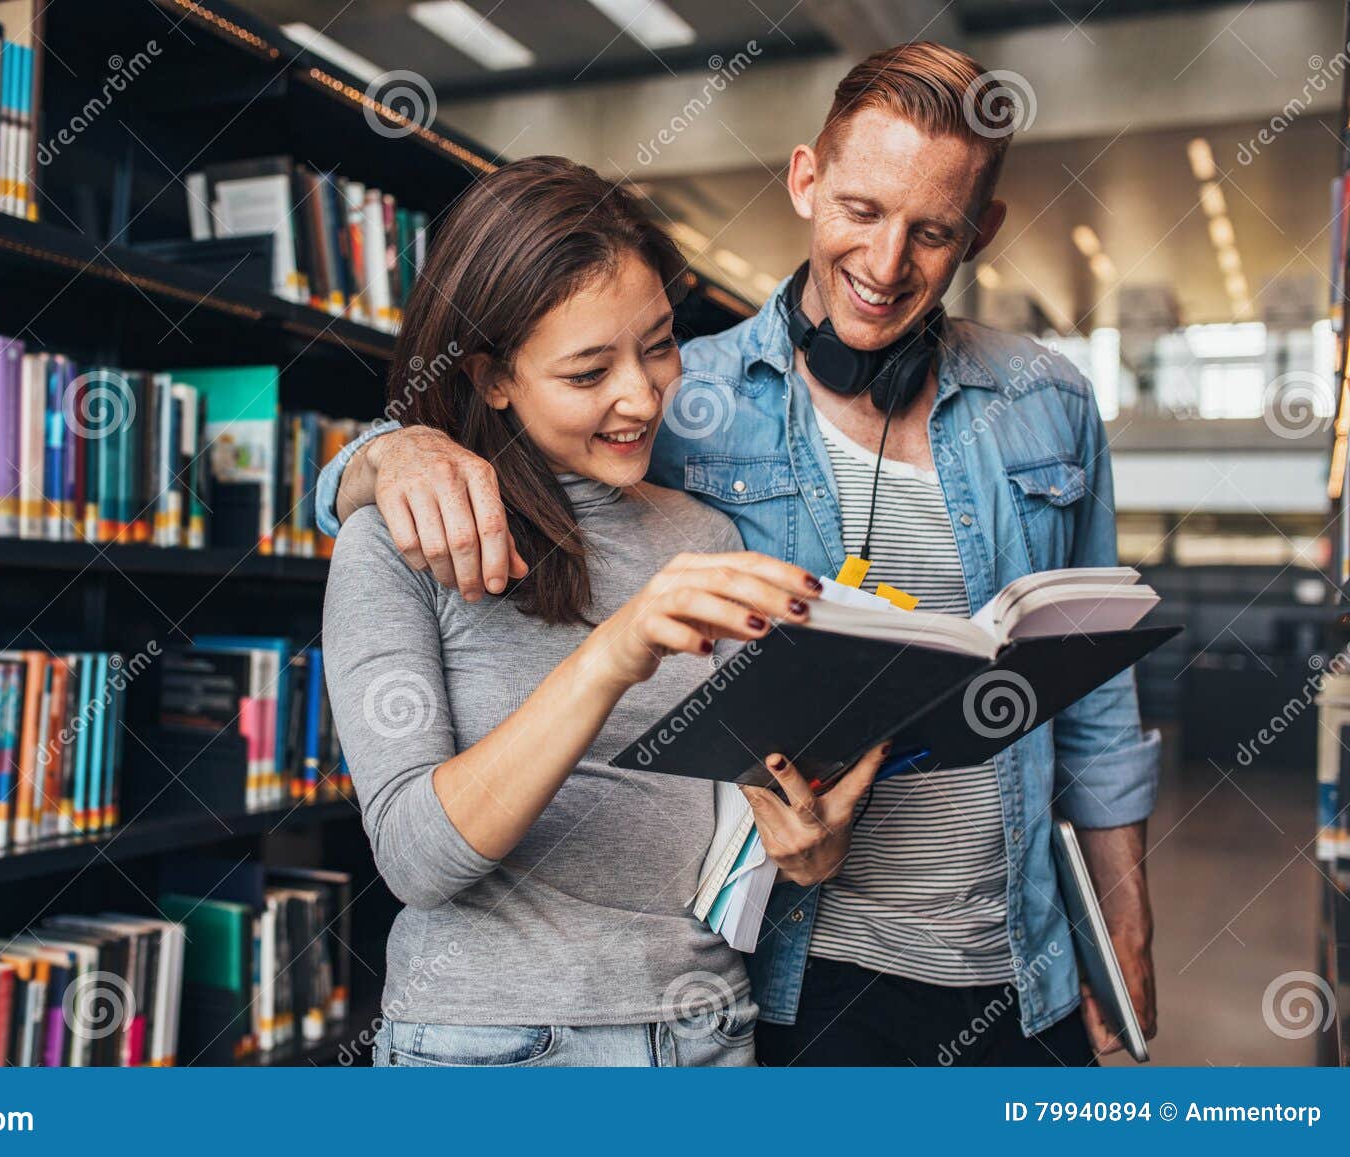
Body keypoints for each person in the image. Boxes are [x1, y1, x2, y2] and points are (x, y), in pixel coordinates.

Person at [315, 42, 1159, 1067]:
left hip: (961, 968)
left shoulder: (1044, 404)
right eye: (859, 211)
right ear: (803, 179)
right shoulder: (690, 407)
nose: (886, 264)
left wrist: (1123, 919)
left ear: (978, 232)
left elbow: (1097, 712)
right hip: (770, 988)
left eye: (931, 232)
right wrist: (379, 451)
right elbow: (512, 436)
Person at [321, 155, 887, 1068]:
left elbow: (709, 825)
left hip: (705, 1034)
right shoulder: (397, 540)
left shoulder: (705, 532)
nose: (642, 395)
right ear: (494, 377)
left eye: (659, 344)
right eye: (589, 372)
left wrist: (803, 852)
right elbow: (417, 860)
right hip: (492, 1049)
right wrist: (610, 652)